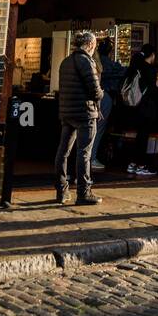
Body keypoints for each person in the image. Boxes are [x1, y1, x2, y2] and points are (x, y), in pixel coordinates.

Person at [54, 30, 103, 205]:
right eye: (95, 45)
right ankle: (84, 193)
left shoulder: (66, 62)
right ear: (89, 44)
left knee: (63, 152)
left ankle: (61, 191)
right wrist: (102, 94)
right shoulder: (86, 62)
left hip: (67, 112)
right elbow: (95, 90)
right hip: (85, 113)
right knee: (84, 153)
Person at [122, 43, 157, 177]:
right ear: (152, 55)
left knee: (137, 136)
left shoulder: (136, 67)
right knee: (143, 137)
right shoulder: (150, 70)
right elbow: (152, 90)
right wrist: (157, 85)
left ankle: (132, 164)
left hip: (135, 107)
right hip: (146, 108)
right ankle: (141, 165)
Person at [91, 37, 125, 172]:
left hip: (92, 100)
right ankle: (92, 158)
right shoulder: (104, 64)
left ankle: (89, 158)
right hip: (103, 98)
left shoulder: (92, 62)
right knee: (98, 129)